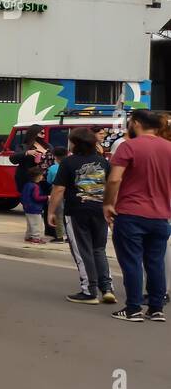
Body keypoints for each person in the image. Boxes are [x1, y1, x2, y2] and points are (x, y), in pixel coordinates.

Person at [104, 108, 171, 322]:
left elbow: (115, 179)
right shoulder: (169, 148)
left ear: (136, 123)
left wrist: (107, 203)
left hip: (131, 213)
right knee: (156, 262)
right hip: (161, 216)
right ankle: (156, 308)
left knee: (132, 262)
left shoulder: (128, 147)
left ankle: (133, 309)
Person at [49, 128, 114, 304]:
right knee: (99, 249)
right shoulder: (102, 162)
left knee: (81, 250)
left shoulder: (68, 163)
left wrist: (51, 211)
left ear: (76, 143)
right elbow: (111, 185)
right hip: (100, 209)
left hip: (77, 211)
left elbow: (59, 189)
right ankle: (107, 288)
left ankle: (89, 291)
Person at [45, 145, 69, 242]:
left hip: (56, 191)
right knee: (67, 215)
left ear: (55, 156)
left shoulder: (53, 168)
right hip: (69, 191)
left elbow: (49, 180)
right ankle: (69, 235)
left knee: (58, 214)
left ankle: (59, 236)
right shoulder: (69, 166)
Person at [21, 167, 48, 244]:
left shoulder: (27, 185)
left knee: (30, 223)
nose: (42, 177)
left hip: (27, 208)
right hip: (35, 208)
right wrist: (47, 197)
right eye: (42, 175)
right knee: (37, 224)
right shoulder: (35, 186)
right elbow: (37, 197)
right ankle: (36, 238)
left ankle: (28, 236)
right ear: (38, 176)